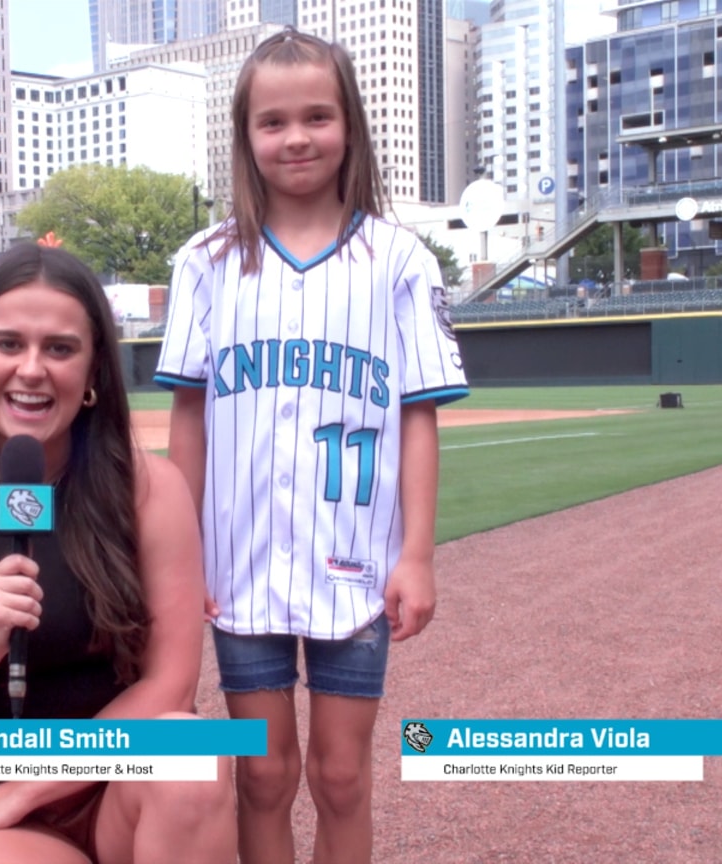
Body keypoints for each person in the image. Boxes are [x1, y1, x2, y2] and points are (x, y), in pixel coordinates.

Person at [154, 29, 469, 864]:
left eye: (318, 116)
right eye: (273, 121)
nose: (296, 137)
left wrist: (420, 555)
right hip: (237, 566)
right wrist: (181, 554)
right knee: (263, 776)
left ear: (351, 127)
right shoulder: (206, 261)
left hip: (356, 563)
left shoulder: (400, 259)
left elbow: (418, 415)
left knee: (341, 778)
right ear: (246, 137)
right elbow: (189, 417)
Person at [0, 242, 236, 864]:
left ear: (93, 370)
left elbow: (171, 683)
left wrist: (27, 786)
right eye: (9, 344)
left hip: (119, 775)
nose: (32, 369)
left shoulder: (150, 489)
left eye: (60, 348)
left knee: (193, 750)